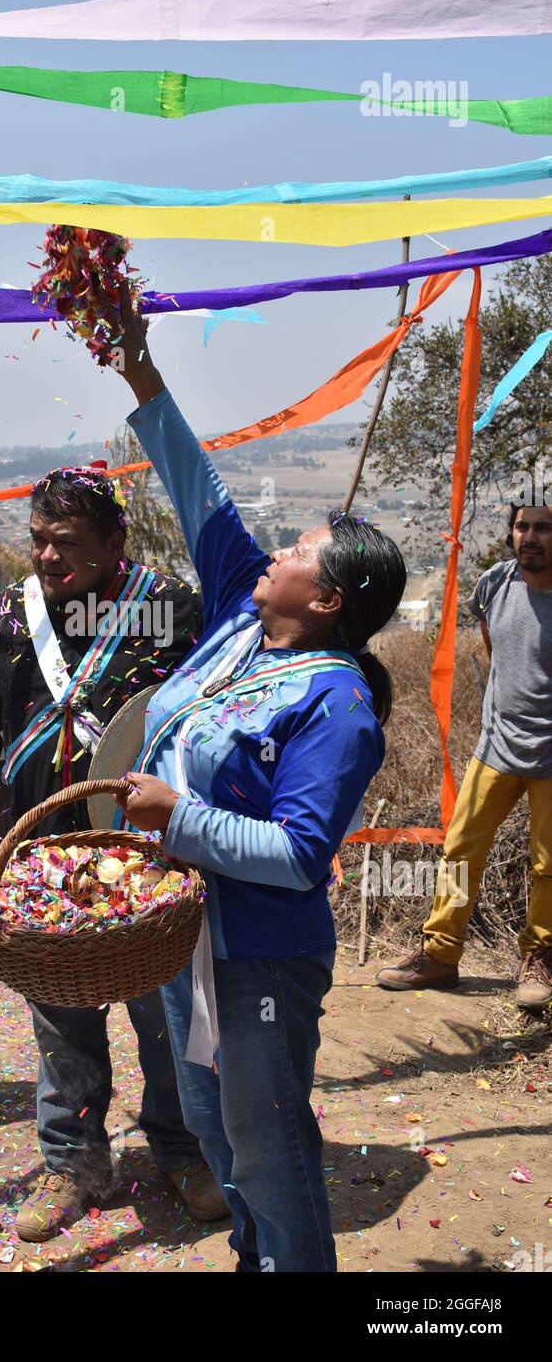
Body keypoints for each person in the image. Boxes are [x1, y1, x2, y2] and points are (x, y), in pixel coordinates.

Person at [103, 284, 407, 1271]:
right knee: (218, 1133)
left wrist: (176, 814)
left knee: (270, 1152)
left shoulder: (336, 703)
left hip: (260, 958)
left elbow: (298, 854)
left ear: (325, 598)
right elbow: (195, 483)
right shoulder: (242, 609)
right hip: (190, 934)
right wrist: (136, 360)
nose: (272, 549)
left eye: (298, 550)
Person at [0, 461, 227, 1241]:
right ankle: (73, 1163)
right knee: (61, 1020)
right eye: (36, 541)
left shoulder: (166, 610)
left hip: (146, 859)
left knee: (166, 1014)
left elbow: (213, 722)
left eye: (65, 542)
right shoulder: (9, 621)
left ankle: (184, 1148)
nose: (46, 558)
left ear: (113, 541)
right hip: (43, 865)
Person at [377, 501, 552, 1007]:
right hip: (496, 747)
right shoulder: (496, 584)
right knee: (459, 849)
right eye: (522, 526)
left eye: (543, 528)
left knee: (548, 866)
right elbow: (495, 647)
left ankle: (539, 960)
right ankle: (440, 955)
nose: (530, 537)